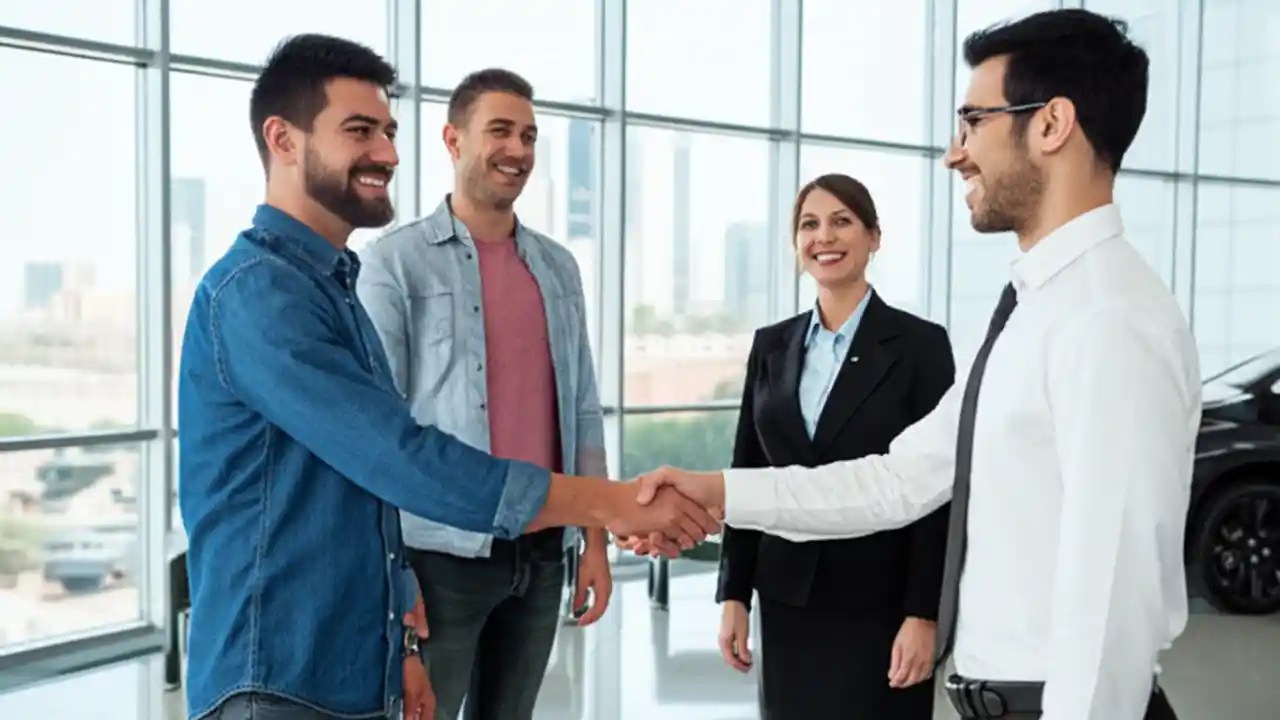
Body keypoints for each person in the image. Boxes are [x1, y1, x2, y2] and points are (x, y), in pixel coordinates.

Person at [629, 10, 1197, 720]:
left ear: (1050, 125)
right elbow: (896, 482)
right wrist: (712, 491)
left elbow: (1112, 607)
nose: (955, 154)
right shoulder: (1037, 308)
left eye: (973, 121)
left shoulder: (1108, 319)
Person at [177, 34, 718, 720]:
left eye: (389, 132)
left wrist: (400, 637)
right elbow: (400, 458)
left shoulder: (336, 285)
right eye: (359, 131)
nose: (387, 154)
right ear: (282, 139)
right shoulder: (259, 296)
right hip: (277, 678)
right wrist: (610, 502)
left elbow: (366, 493)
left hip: (349, 667)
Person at [355, 68, 611, 720]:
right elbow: (374, 434)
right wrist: (392, 575)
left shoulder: (558, 267)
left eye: (528, 136)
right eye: (500, 131)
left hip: (543, 551)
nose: (518, 150)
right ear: (453, 139)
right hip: (440, 557)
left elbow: (581, 408)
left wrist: (595, 542)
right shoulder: (396, 262)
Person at [715, 174, 954, 718]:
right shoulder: (771, 346)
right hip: (787, 600)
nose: (825, 236)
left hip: (881, 605)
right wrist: (734, 595)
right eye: (809, 224)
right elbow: (748, 469)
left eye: (842, 220)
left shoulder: (921, 346)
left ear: (874, 236)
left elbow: (939, 491)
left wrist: (924, 613)